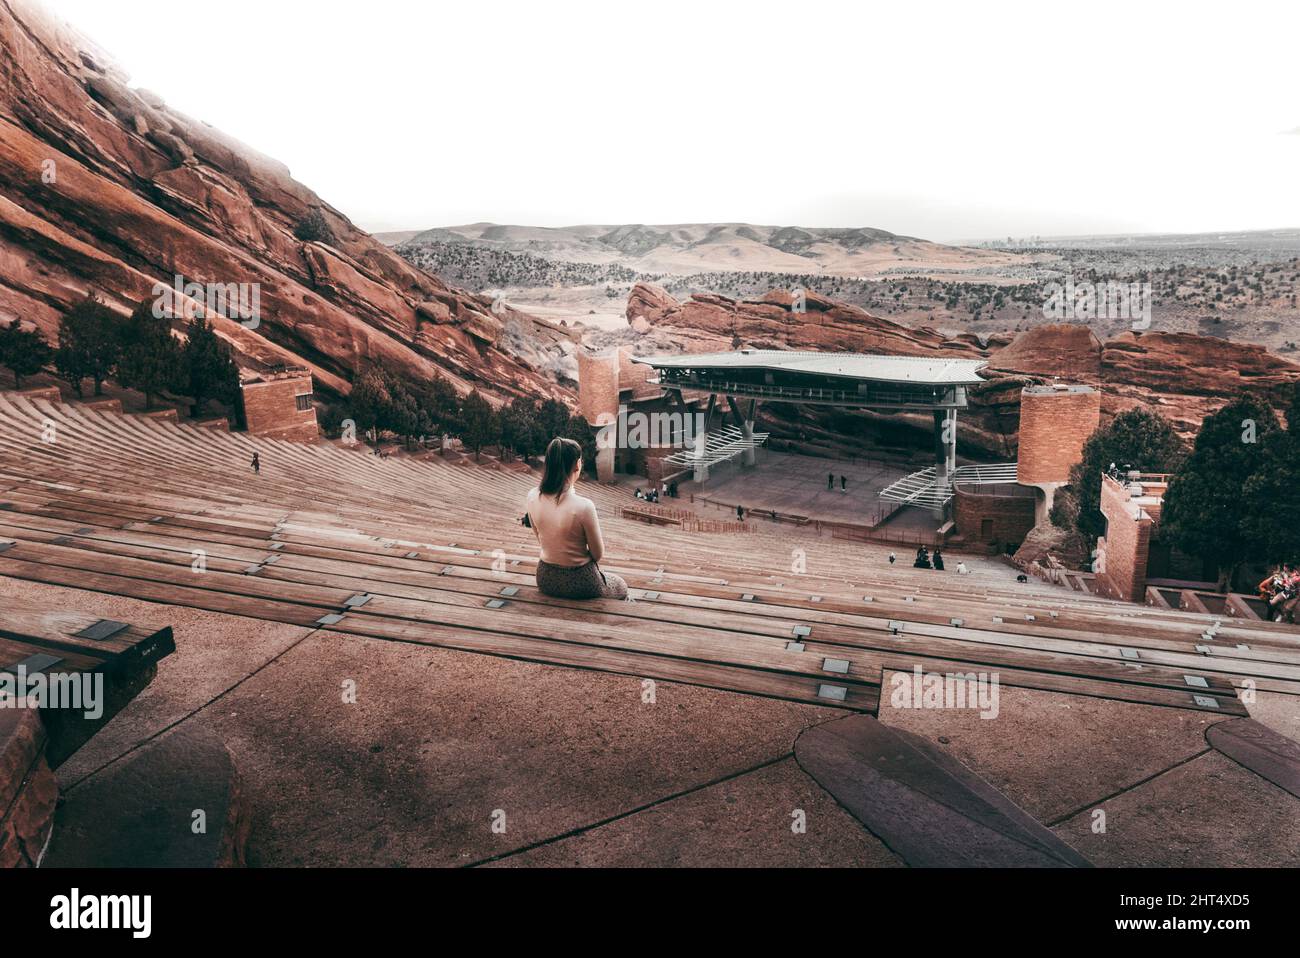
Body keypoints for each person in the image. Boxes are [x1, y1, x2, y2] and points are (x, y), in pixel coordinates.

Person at [525, 437, 628, 600]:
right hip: (581, 580)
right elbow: (597, 554)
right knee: (621, 585)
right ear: (577, 464)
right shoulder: (584, 506)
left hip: (545, 577)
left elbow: (541, 539)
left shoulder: (531, 496)